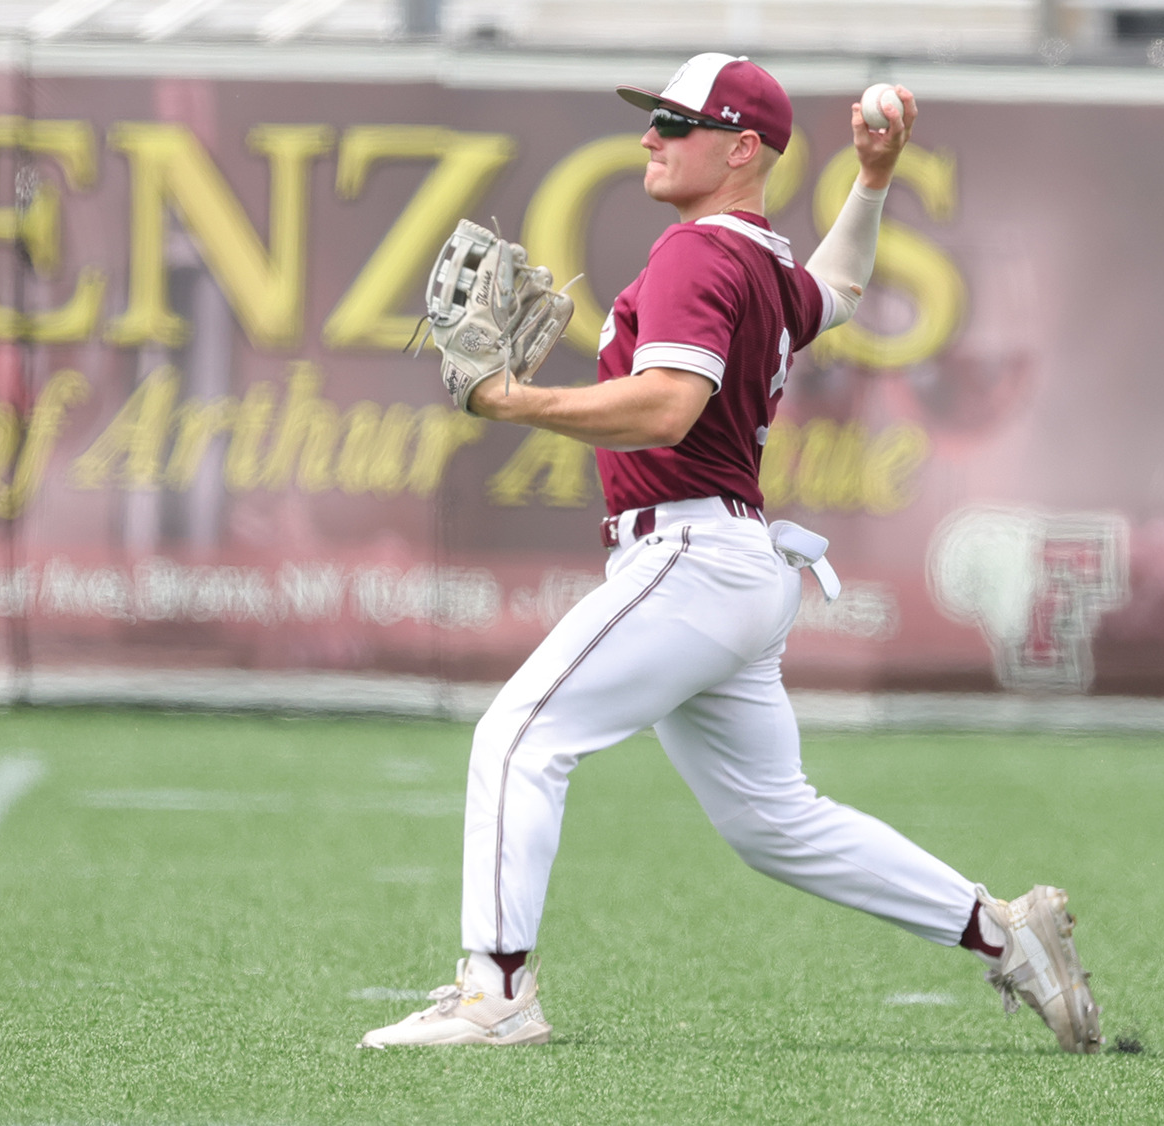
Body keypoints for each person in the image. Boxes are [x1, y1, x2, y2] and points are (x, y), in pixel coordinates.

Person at [360, 53, 1101, 1053]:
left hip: (691, 556)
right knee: (774, 821)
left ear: (740, 147)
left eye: (674, 120)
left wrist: (508, 400)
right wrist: (873, 182)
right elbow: (835, 284)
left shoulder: (695, 257)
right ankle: (1002, 932)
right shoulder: (753, 259)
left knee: (518, 736)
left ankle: (496, 994)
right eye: (652, 119)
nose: (649, 137)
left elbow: (669, 407)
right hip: (732, 563)